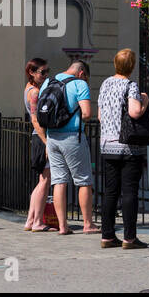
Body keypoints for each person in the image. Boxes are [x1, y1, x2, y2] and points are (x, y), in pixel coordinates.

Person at [97, 48, 149, 249]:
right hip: (128, 146)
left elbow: (101, 116)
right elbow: (135, 112)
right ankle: (129, 237)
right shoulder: (131, 85)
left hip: (107, 145)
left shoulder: (105, 84)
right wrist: (145, 101)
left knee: (110, 192)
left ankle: (107, 235)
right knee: (129, 192)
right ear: (132, 66)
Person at [45, 59, 98, 235]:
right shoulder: (79, 84)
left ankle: (62, 226)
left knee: (59, 181)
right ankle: (88, 224)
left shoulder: (49, 81)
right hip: (72, 137)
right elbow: (87, 113)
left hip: (51, 137)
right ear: (82, 73)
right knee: (84, 180)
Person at [22, 58, 53, 232]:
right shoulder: (34, 92)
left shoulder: (31, 89)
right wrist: (46, 142)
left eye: (47, 71)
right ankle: (37, 222)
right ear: (32, 73)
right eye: (42, 72)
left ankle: (30, 220)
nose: (46, 75)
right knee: (45, 180)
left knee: (42, 181)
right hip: (40, 138)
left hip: (38, 138)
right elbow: (35, 119)